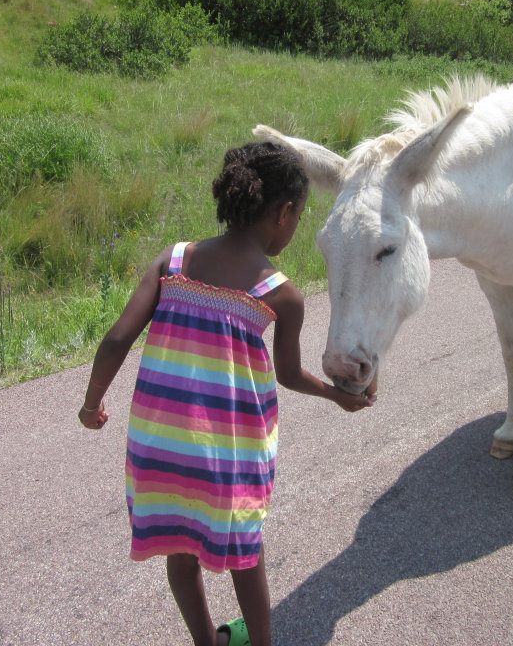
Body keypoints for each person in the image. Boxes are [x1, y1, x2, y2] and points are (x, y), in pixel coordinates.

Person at [78, 141, 374, 646]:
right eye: (299, 216)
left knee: (180, 553)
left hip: (159, 448)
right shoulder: (281, 294)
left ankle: (206, 642)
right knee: (245, 553)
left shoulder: (172, 261)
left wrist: (91, 403)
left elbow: (116, 339)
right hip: (228, 454)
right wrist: (336, 395)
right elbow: (288, 374)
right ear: (284, 213)